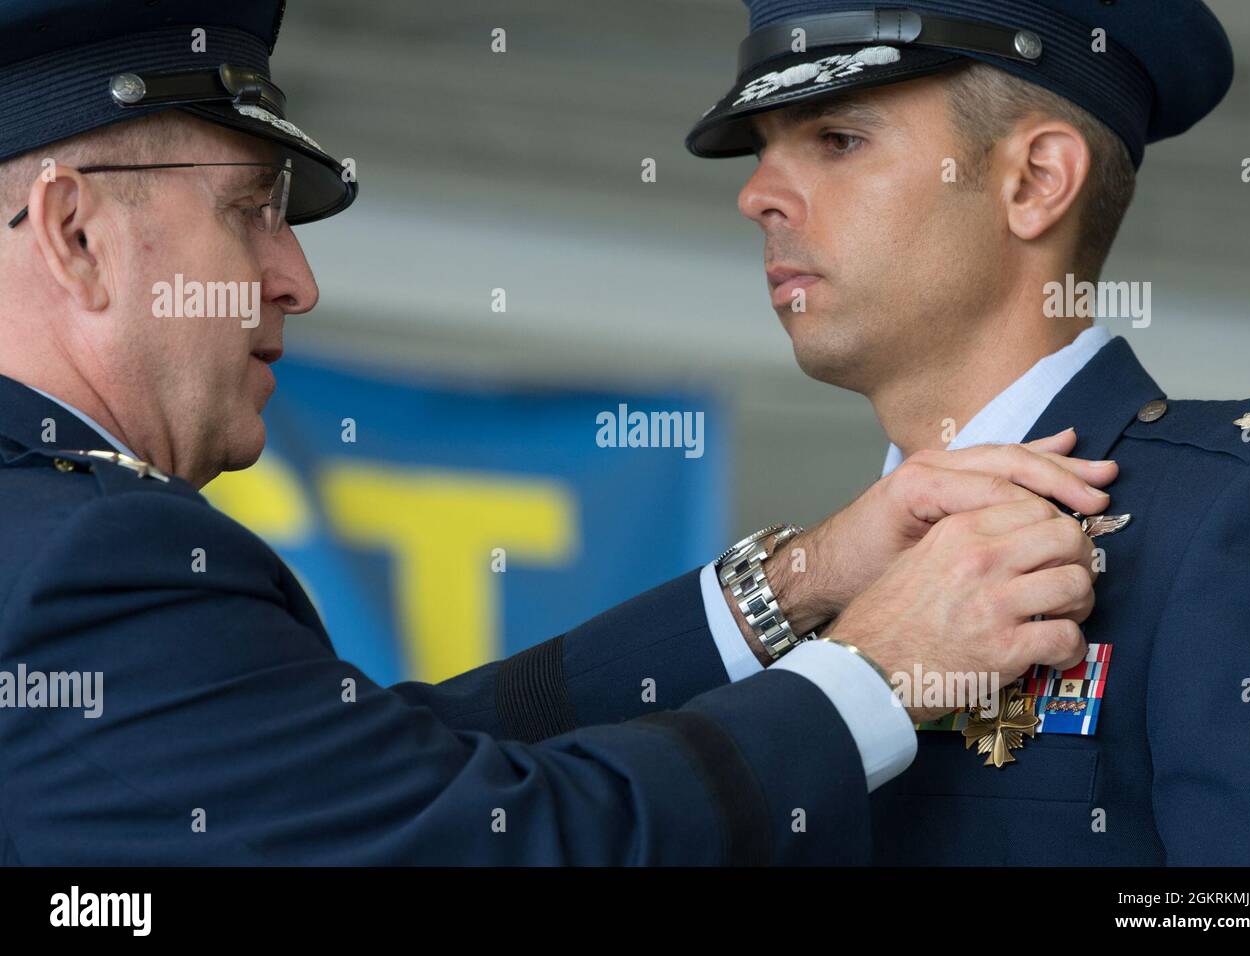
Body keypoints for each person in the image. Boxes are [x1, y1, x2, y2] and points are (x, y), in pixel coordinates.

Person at [0, 0, 1110, 865]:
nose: (295, 278)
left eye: (837, 139)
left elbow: (400, 771)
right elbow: (488, 839)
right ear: (75, 232)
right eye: (250, 208)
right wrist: (874, 669)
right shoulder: (83, 561)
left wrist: (792, 582)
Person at [685, 0, 1250, 864]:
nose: (757, 196)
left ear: (1035, 179)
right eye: (760, 151)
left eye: (837, 140)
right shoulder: (825, 580)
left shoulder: (1240, 509)